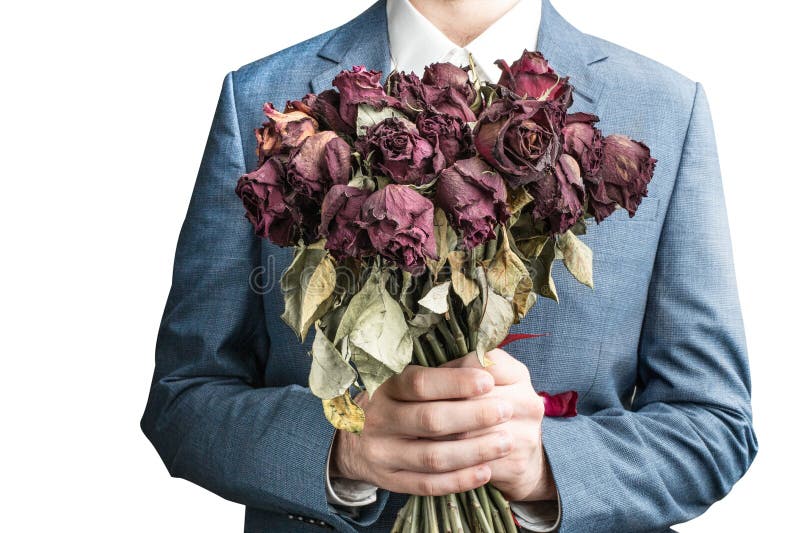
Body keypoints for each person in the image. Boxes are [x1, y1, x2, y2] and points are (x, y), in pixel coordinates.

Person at [140, 0, 757, 531]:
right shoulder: (259, 101)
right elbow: (184, 397)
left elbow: (714, 426)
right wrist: (341, 449)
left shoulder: (665, 110)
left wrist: (545, 465)